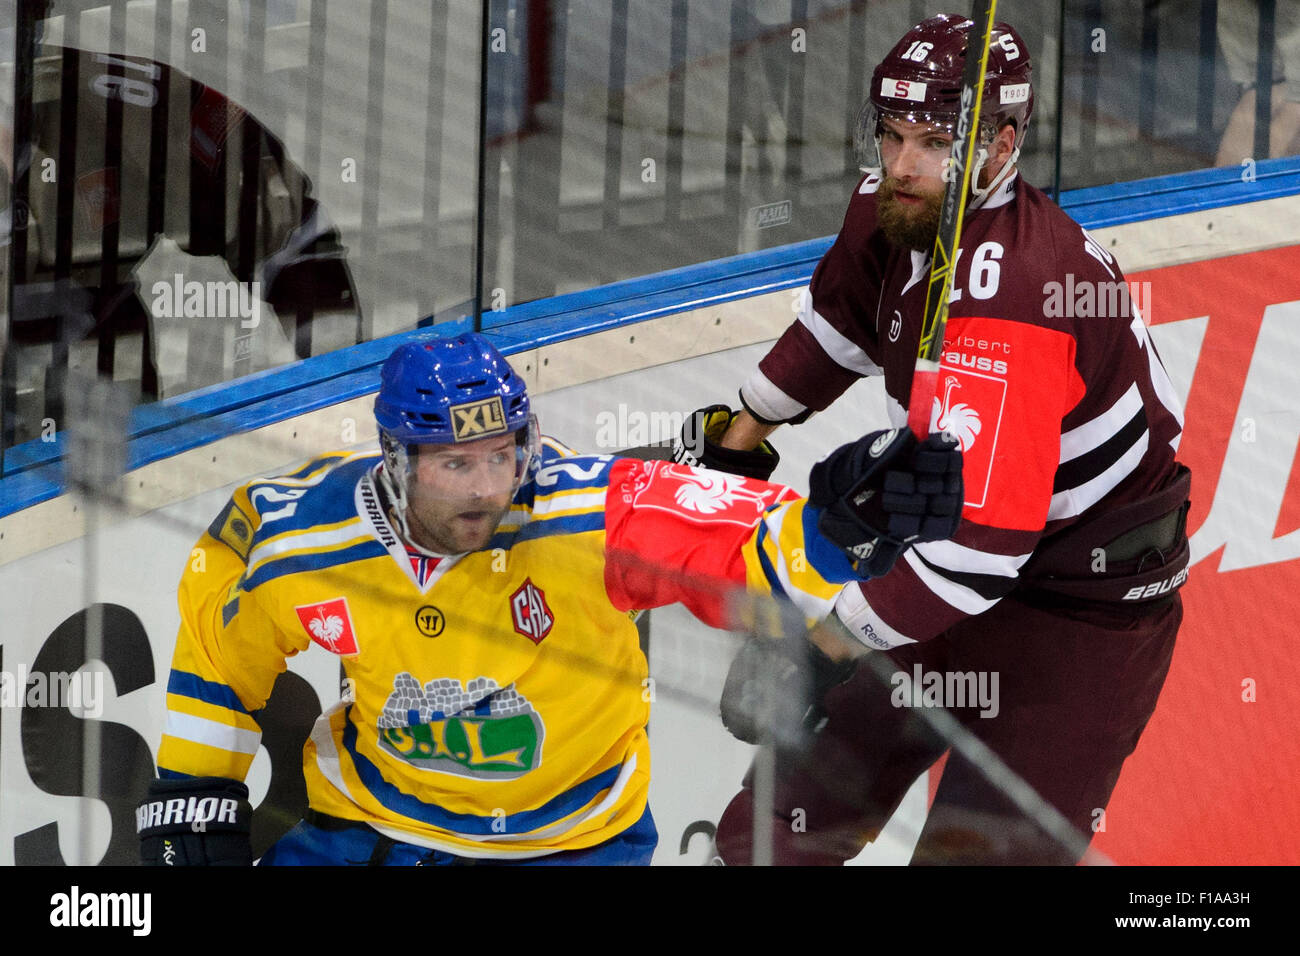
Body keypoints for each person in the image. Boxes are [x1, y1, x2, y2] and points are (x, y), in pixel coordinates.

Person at [135, 331, 962, 865]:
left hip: (571, 846)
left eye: (504, 456)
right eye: (456, 465)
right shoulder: (297, 537)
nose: (488, 487)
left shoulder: (590, 513)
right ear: (396, 460)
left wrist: (842, 526)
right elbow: (220, 646)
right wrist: (189, 789)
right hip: (371, 837)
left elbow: (745, 549)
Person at [691, 14, 1192, 865]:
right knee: (776, 825)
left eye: (931, 141)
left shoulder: (1017, 294)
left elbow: (980, 558)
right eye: (890, 135)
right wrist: (739, 436)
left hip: (1079, 616)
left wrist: (818, 653)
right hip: (941, 568)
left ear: (1003, 142)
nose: (901, 167)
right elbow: (840, 324)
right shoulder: (894, 207)